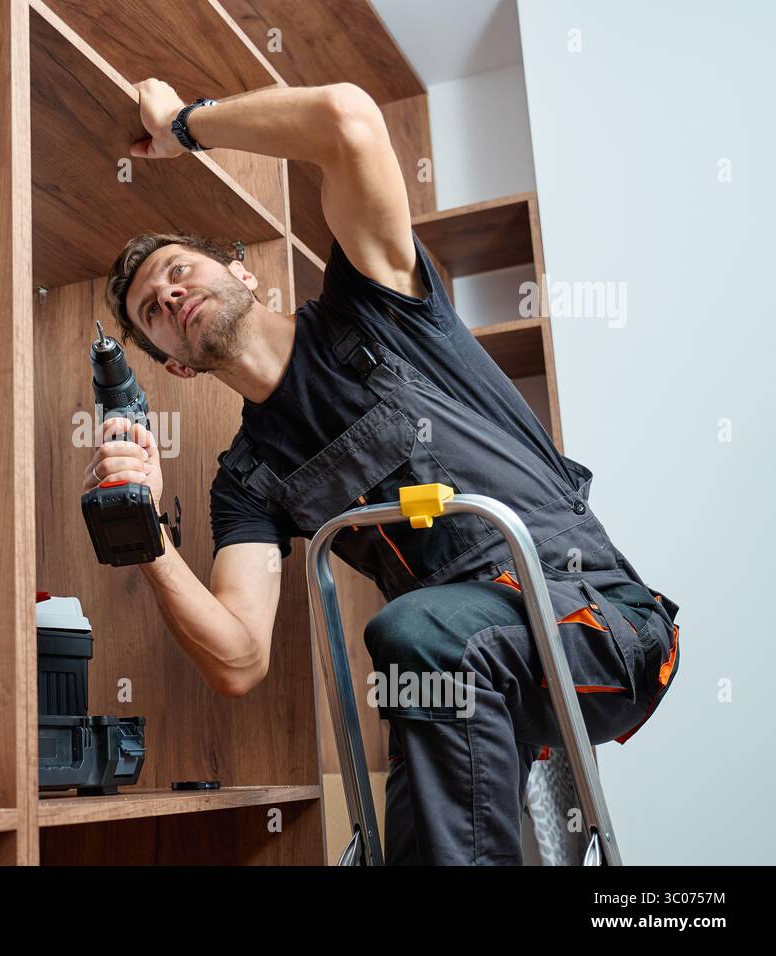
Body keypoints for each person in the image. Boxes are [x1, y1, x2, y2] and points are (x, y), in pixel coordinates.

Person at [84, 78, 681, 865]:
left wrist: (181, 125)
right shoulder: (250, 479)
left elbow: (345, 119)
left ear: (243, 274)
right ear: (176, 368)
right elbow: (238, 657)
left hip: (607, 629)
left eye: (177, 271)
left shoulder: (377, 303)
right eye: (153, 311)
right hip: (468, 672)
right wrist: (148, 538)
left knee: (411, 635)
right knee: (412, 717)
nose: (168, 293)